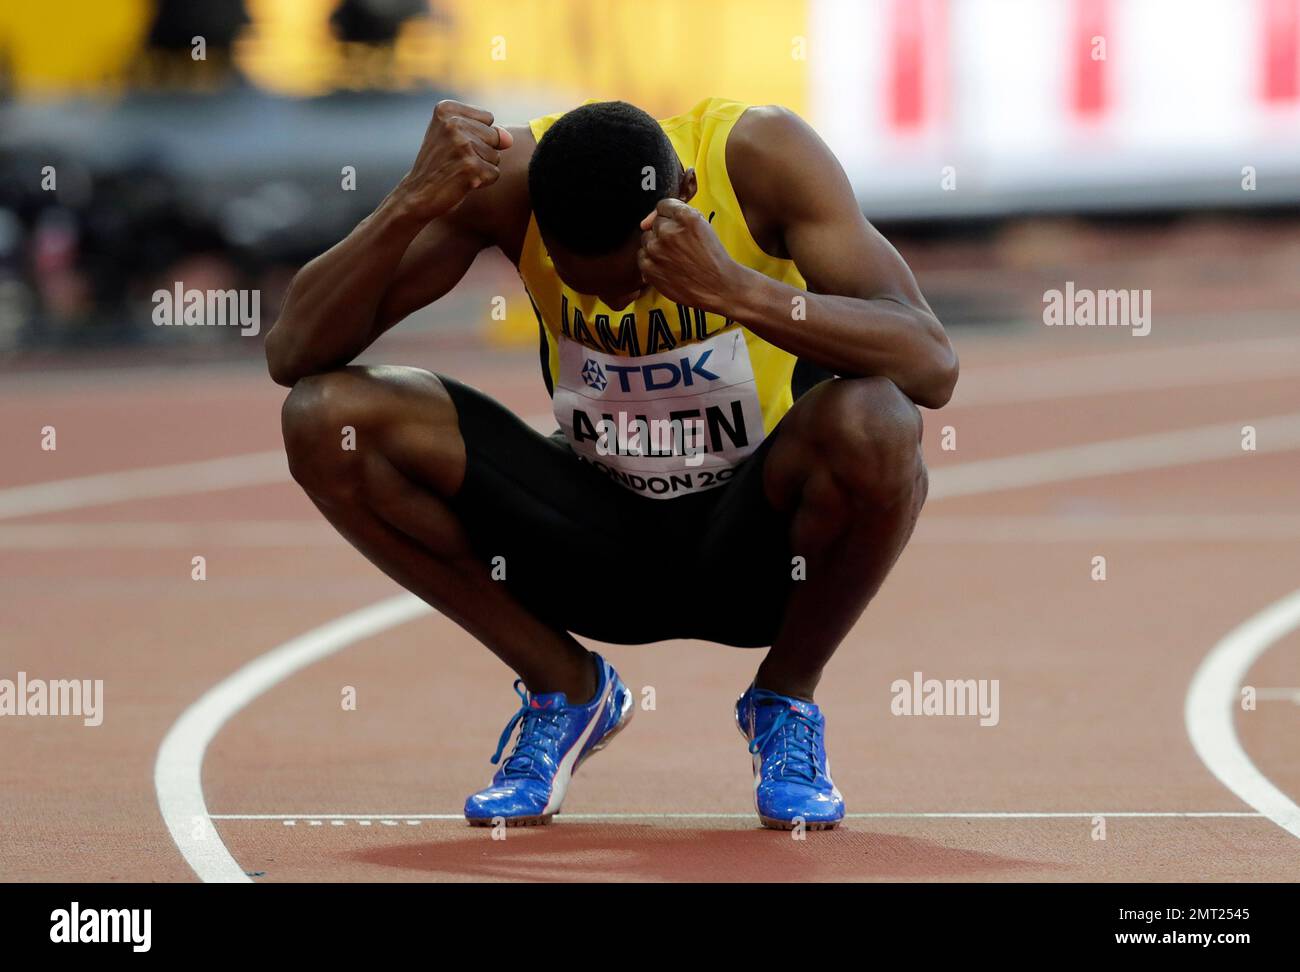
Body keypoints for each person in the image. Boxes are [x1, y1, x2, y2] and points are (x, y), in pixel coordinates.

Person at [265, 97, 957, 830]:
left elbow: (931, 364)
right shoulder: (508, 186)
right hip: (594, 542)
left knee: (877, 421)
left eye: (634, 278)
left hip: (760, 552)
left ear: (682, 194)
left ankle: (785, 699)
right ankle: (563, 688)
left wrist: (737, 290)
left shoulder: (761, 162)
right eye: (584, 285)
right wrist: (408, 203)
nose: (618, 304)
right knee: (325, 419)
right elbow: (294, 353)